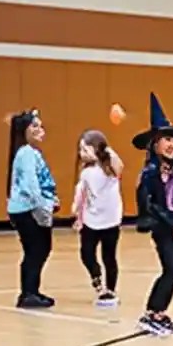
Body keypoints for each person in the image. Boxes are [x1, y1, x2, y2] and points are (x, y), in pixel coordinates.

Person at [133, 93, 173, 336]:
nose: (172, 144)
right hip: (163, 227)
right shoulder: (150, 172)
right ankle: (150, 314)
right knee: (170, 269)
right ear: (155, 144)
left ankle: (159, 313)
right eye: (166, 139)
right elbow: (151, 204)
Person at [6, 109, 59, 309]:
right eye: (34, 126)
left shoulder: (31, 153)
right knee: (37, 249)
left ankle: (31, 291)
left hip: (31, 207)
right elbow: (30, 184)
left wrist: (51, 199)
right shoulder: (26, 153)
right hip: (28, 209)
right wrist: (42, 206)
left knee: (38, 249)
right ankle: (28, 293)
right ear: (24, 131)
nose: (40, 129)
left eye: (40, 125)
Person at [71, 129, 124, 307]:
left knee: (109, 256)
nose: (82, 153)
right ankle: (97, 279)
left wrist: (105, 149)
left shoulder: (110, 169)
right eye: (80, 150)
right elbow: (82, 194)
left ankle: (110, 290)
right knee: (86, 253)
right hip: (90, 220)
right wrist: (78, 214)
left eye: (86, 149)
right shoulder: (85, 173)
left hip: (110, 220)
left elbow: (120, 165)